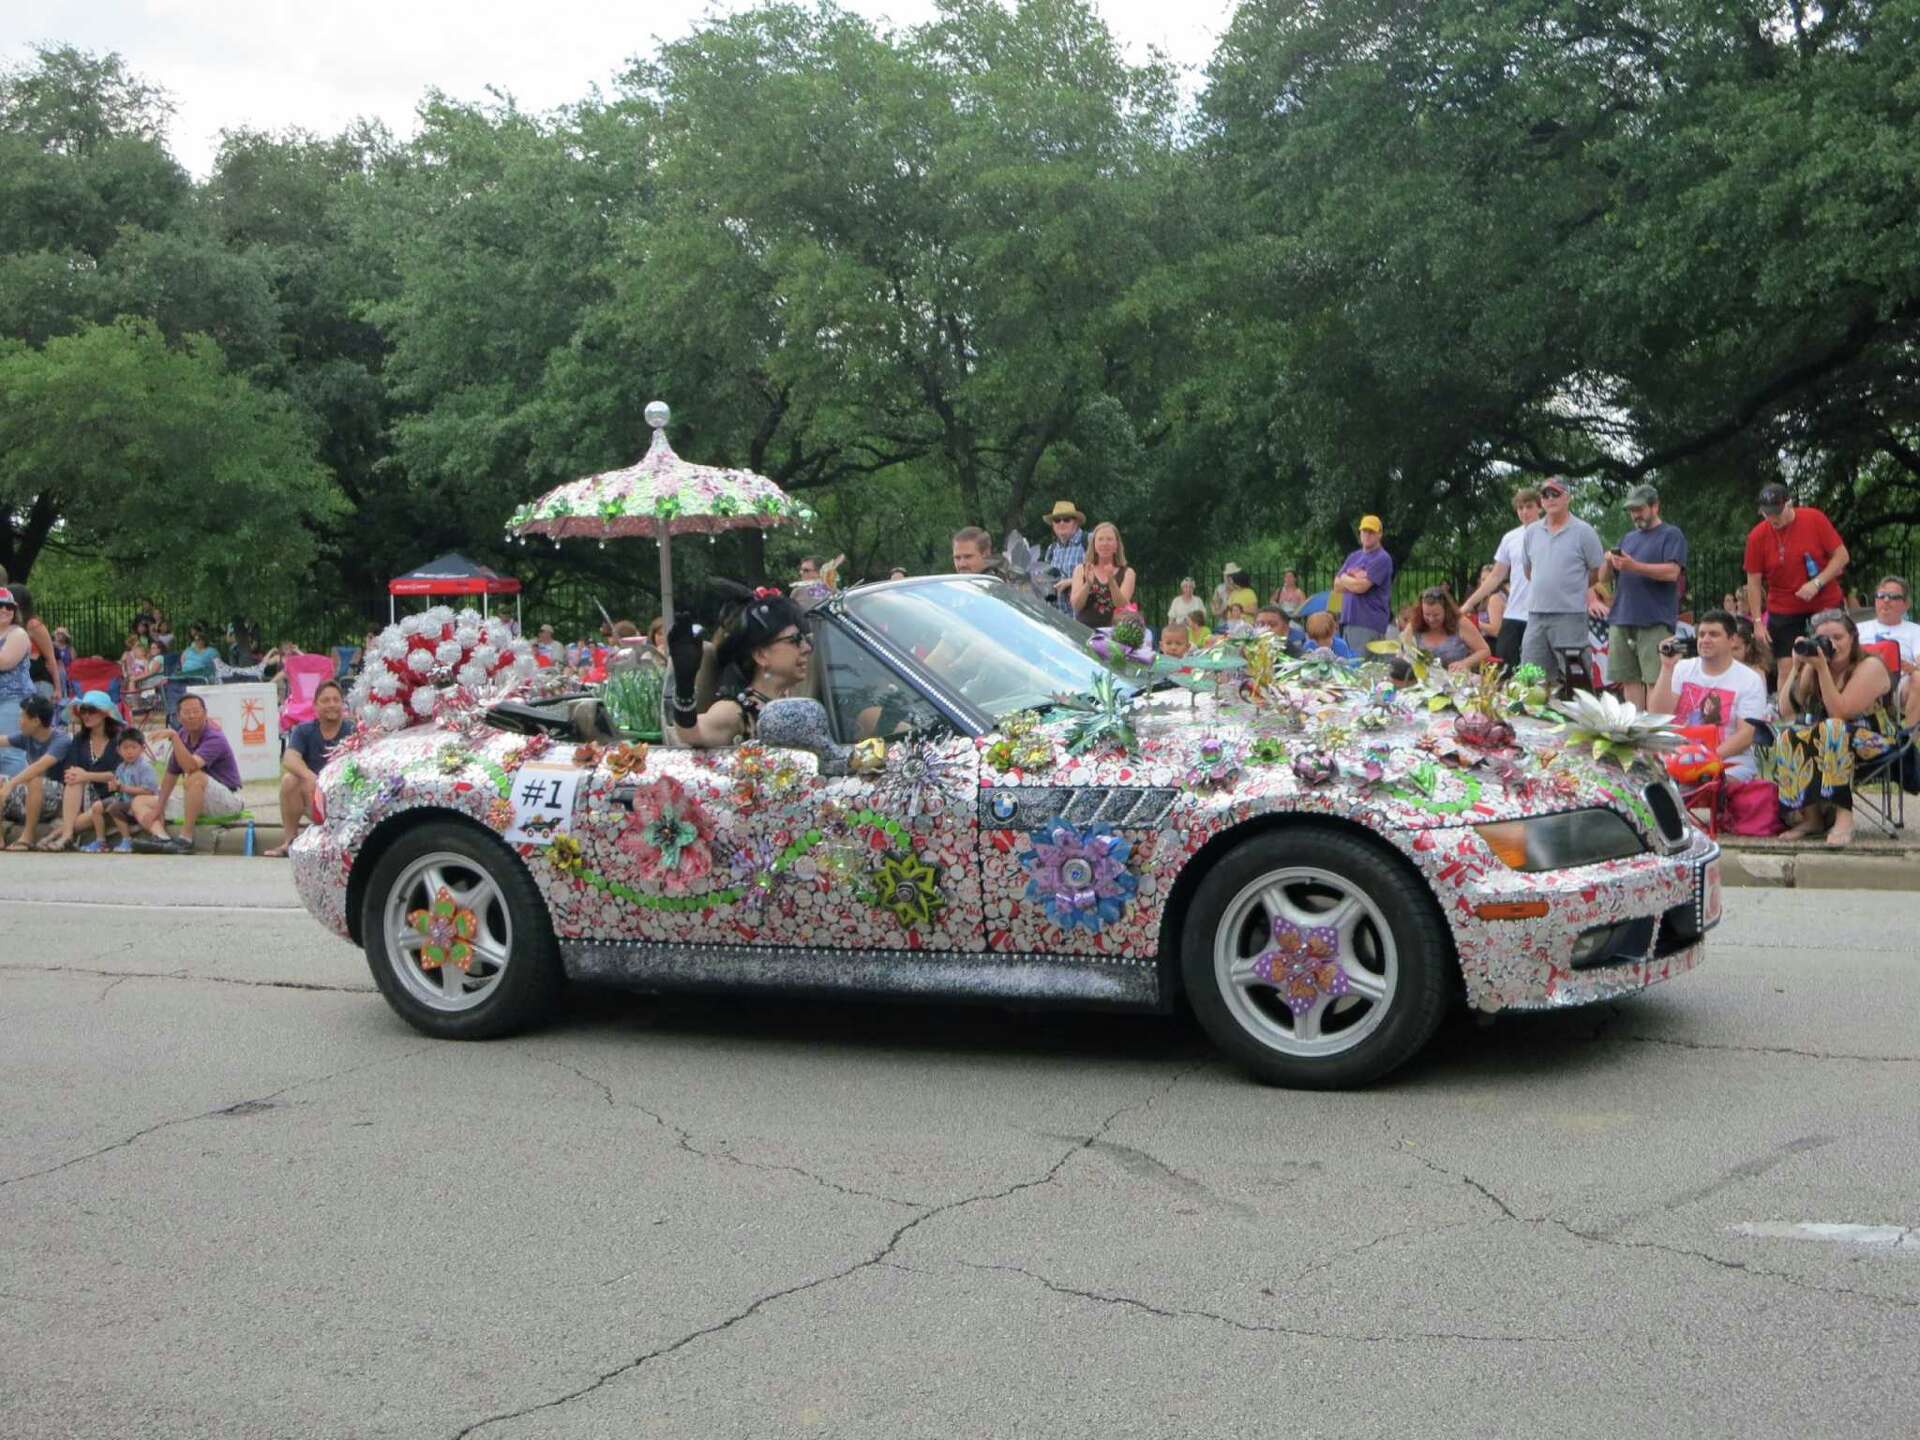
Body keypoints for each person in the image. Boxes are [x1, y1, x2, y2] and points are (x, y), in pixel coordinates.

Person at [1768, 608, 1895, 847]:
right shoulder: (1816, 666)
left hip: (1875, 740)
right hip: (1828, 737)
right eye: (1825, 639)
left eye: (1838, 637)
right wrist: (1798, 666)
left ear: (1853, 638)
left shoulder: (1869, 666)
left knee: (1833, 728)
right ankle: (1811, 817)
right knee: (1789, 734)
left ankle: (1843, 817)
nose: (1832, 644)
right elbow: (1786, 711)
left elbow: (1841, 712)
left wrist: (1822, 670)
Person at [668, 592, 812, 747]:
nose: (807, 648)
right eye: (795, 640)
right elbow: (691, 734)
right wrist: (684, 686)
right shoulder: (734, 712)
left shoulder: (792, 702)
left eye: (805, 639)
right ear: (761, 655)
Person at [1649, 610, 1769, 782]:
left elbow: (1747, 735)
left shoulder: (1749, 679)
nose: (1705, 640)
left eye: (1713, 635)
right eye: (1701, 634)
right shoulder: (1682, 668)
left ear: (1732, 640)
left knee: (1712, 785)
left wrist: (1702, 759)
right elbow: (1658, 715)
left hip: (1727, 761)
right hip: (1677, 757)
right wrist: (1667, 667)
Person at [1600, 483, 1688, 708]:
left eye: (1639, 509)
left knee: (1655, 680)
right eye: (1631, 510)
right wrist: (1608, 561)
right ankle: (1635, 729)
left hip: (1655, 619)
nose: (1635, 515)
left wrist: (1634, 565)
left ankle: (1654, 732)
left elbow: (1672, 572)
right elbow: (1602, 578)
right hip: (1621, 616)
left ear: (1655, 506)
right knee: (1628, 680)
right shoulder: (1627, 538)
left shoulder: (1671, 534)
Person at [1744, 482, 1847, 659]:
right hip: (1783, 605)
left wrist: (1817, 582)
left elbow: (1842, 556)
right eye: (1766, 514)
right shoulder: (1756, 536)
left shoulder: (1814, 518)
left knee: (1831, 657)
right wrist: (1758, 622)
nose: (1772, 518)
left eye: (1777, 513)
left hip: (1824, 599)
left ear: (1789, 504)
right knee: (1786, 663)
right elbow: (1753, 582)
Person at [1520, 478, 1606, 686]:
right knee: (1531, 679)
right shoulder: (1531, 532)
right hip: (1536, 616)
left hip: (1571, 615)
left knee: (1576, 678)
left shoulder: (1584, 531)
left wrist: (1572, 588)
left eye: (1555, 494)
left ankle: (1579, 717)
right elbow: (1529, 571)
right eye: (1545, 495)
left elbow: (1596, 572)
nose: (1550, 499)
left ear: (1568, 497)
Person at [133, 692, 245, 852]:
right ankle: (162, 839)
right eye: (186, 712)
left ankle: (185, 839)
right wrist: (159, 807)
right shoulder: (183, 735)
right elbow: (170, 775)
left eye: (196, 711)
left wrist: (174, 737)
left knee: (195, 777)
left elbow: (191, 767)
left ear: (205, 714)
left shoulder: (214, 737)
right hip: (194, 801)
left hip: (226, 802)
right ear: (178, 717)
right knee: (140, 801)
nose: (192, 716)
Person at [265, 679, 356, 857]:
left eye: (336, 700)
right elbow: (289, 758)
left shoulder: (354, 730)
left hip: (346, 802)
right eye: (326, 700)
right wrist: (310, 777)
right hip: (313, 798)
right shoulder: (304, 730)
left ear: (343, 704)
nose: (332, 705)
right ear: (315, 706)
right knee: (289, 780)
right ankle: (289, 842)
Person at [1460, 487, 1542, 670]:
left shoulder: (1550, 533)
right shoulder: (1510, 538)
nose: (1524, 512)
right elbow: (1496, 575)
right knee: (1505, 668)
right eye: (1520, 508)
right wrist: (1470, 603)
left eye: (1529, 507)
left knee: (1536, 671)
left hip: (1541, 613)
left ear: (1540, 507)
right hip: (1514, 613)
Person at [51, 691, 125, 851]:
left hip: (113, 796)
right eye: (83, 710)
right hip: (84, 796)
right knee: (73, 778)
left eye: (91, 710)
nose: (86, 715)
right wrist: (79, 775)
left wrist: (87, 776)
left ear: (105, 713)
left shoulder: (119, 739)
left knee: (79, 780)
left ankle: (60, 835)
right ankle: (66, 835)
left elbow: (119, 774)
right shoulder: (80, 739)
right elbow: (71, 770)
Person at [1855, 575, 1920, 728]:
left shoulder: (1915, 631)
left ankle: (1909, 738)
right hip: (1861, 680)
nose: (1885, 600)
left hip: (1899, 683)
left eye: (1893, 597)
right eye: (1881, 596)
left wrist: (1912, 668)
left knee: (1918, 677)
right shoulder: (1857, 629)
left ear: (1906, 604)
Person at [1331, 515, 1394, 651]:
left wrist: (1345, 577)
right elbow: (1336, 586)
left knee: (1359, 669)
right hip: (1347, 621)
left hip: (1367, 623)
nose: (1367, 535)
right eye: (1364, 531)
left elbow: (1360, 587)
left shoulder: (1382, 558)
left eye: (1371, 532)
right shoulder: (1353, 556)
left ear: (1380, 534)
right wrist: (1353, 579)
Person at [1400, 587, 1491, 672]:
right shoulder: (1414, 624)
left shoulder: (1460, 623)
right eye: (1427, 615)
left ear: (1446, 611)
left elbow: (1484, 650)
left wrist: (1464, 663)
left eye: (1436, 615)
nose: (1431, 619)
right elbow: (1403, 652)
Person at [102, 727, 158, 852]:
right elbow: (119, 787)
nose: (130, 752)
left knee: (114, 808)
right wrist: (115, 787)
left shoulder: (145, 767)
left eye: (134, 747)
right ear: (118, 750)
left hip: (143, 804)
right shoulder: (121, 768)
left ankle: (127, 840)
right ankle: (100, 841)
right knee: (102, 805)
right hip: (127, 802)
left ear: (142, 749)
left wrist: (124, 788)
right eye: (125, 748)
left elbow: (149, 791)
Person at [1070, 523, 1137, 628]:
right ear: (1094, 545)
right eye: (1100, 539)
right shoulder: (1081, 570)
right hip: (1084, 632)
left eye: (1109, 539)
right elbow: (1076, 606)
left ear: (1117, 545)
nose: (1105, 543)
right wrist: (1087, 584)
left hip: (1113, 634)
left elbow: (1122, 606)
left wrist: (1111, 581)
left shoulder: (1128, 573)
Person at [0, 587, 33, 783]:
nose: (5, 610)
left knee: (10, 751)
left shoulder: (18, 633)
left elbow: (5, 661)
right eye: (0, 605)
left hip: (13, 699)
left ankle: (17, 797)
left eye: (9, 606)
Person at [1040, 502, 1088, 613]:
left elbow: (1104, 577)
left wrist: (1073, 582)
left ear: (1076, 523)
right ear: (1053, 525)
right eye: (1057, 520)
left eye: (1066, 519)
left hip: (1085, 620)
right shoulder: (1051, 550)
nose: (1061, 523)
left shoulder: (1089, 542)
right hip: (1058, 621)